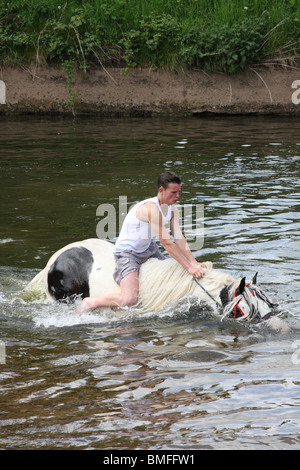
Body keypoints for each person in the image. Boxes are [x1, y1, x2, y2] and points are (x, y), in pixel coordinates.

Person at [78, 171, 204, 313]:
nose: (177, 196)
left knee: (173, 277)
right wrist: (189, 268)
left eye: (179, 192)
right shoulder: (151, 209)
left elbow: (179, 238)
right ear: (161, 190)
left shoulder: (172, 209)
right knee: (129, 300)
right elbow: (167, 243)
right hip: (128, 253)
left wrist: (193, 262)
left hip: (149, 249)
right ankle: (90, 302)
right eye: (174, 192)